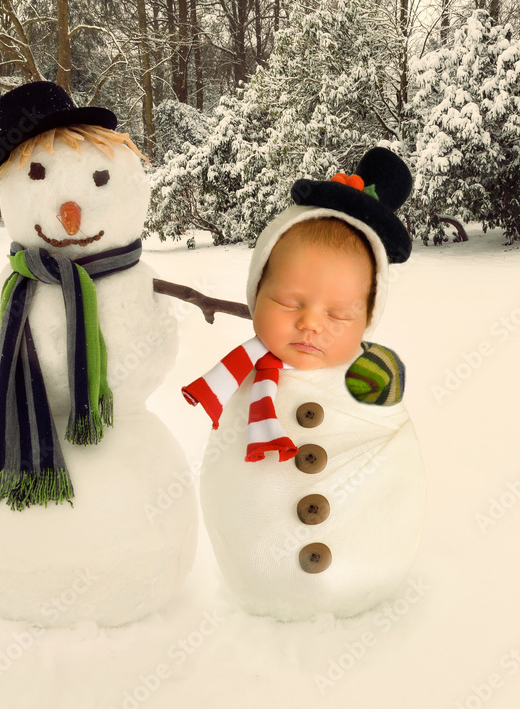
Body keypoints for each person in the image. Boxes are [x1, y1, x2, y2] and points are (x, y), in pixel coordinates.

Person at [183, 148, 428, 621]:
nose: (312, 324)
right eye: (289, 303)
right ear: (257, 294)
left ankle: (366, 573)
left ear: (368, 319)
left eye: (339, 314)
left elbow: (399, 467)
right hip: (258, 593)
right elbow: (224, 475)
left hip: (371, 576)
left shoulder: (372, 378)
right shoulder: (245, 384)